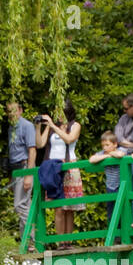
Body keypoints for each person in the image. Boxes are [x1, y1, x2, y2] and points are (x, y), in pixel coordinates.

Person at [35, 99, 82, 237]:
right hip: (54, 168)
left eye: (60, 113)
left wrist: (53, 126)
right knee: (59, 207)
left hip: (69, 166)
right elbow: (40, 144)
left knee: (69, 207)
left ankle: (69, 241)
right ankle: (60, 241)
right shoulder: (52, 127)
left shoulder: (75, 125)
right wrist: (39, 127)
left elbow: (69, 139)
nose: (58, 116)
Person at [6, 101, 36, 248]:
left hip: (25, 168)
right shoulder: (11, 128)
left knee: (20, 205)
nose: (11, 114)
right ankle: (26, 243)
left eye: (14, 110)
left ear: (20, 111)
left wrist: (29, 174)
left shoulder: (27, 126)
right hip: (16, 169)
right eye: (9, 111)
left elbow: (32, 150)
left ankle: (32, 239)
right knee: (25, 204)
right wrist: (12, 177)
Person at [88, 131, 128, 235]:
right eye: (103, 146)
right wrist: (106, 156)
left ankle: (124, 234)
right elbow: (92, 159)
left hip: (121, 185)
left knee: (124, 210)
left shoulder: (121, 149)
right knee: (111, 212)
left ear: (115, 144)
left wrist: (110, 154)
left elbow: (120, 155)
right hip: (110, 186)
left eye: (107, 145)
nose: (105, 148)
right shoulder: (103, 153)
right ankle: (114, 235)